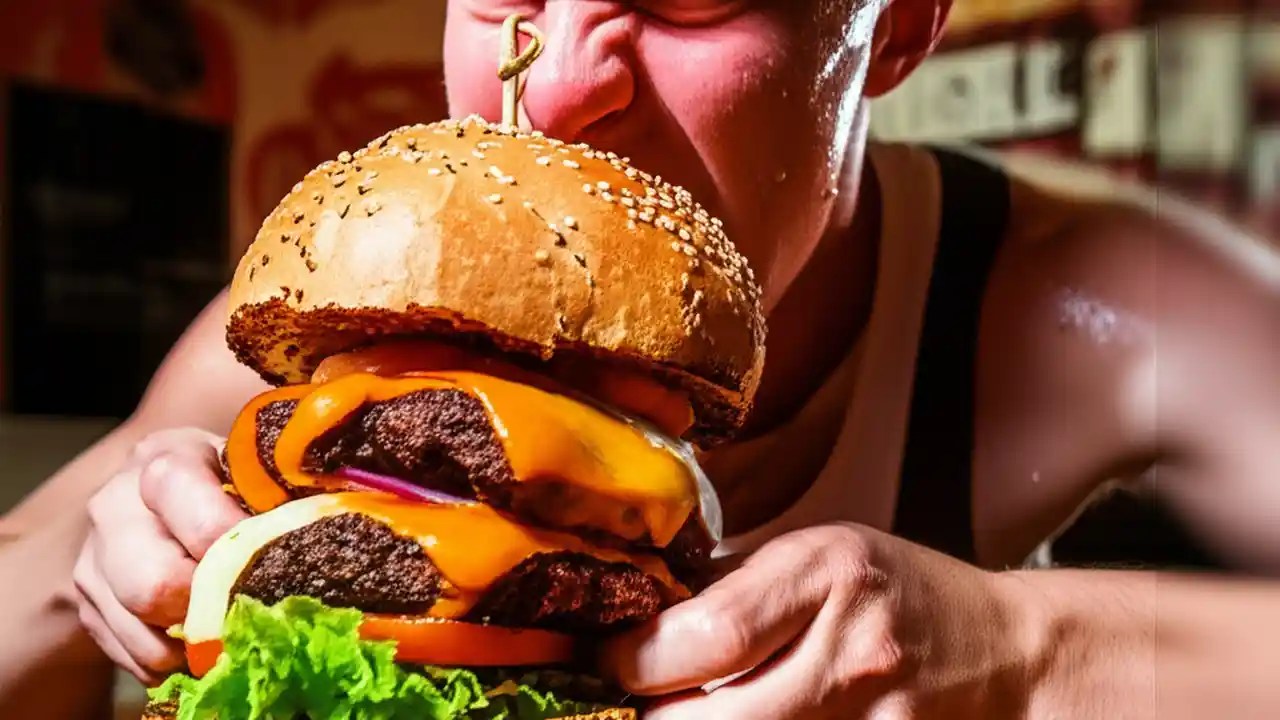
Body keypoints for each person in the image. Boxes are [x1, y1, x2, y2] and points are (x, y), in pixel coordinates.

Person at [5, 0, 1280, 717]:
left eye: (686, 2)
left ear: (893, 33)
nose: (556, 86)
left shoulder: (1090, 299)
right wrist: (99, 578)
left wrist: (1024, 649)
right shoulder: (360, 280)